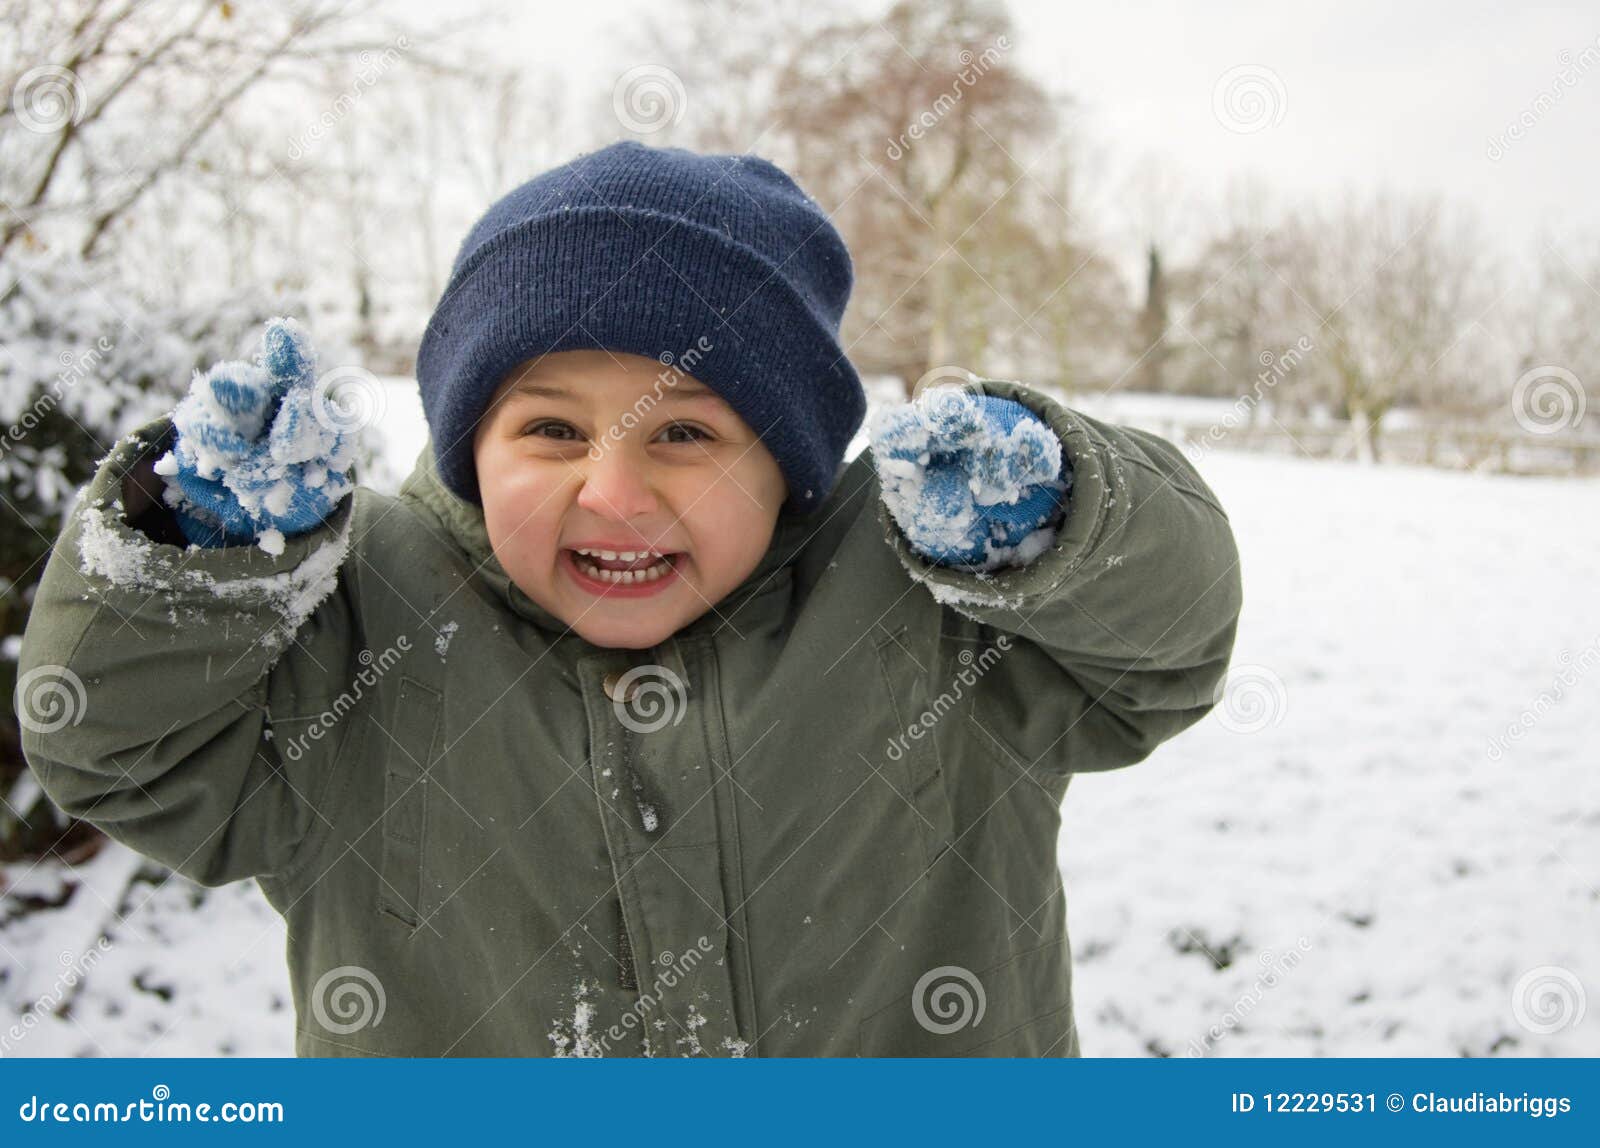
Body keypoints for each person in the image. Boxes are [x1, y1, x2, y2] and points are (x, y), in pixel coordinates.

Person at [17, 140, 1242, 1056]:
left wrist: (1050, 524)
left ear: (789, 461)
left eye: (686, 433)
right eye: (550, 428)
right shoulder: (360, 619)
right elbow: (119, 750)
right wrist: (201, 554)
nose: (612, 492)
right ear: (467, 445)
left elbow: (1165, 651)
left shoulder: (920, 600)